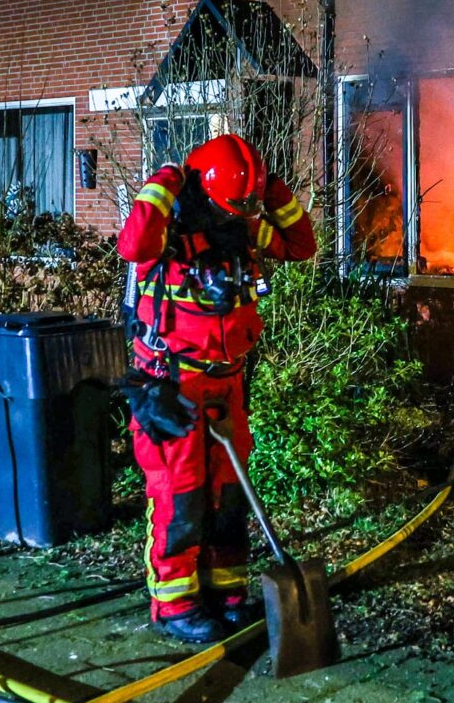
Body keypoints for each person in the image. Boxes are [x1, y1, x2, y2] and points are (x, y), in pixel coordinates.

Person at [117, 133, 316, 643]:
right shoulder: (167, 234)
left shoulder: (241, 228)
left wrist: (272, 192)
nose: (236, 214)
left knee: (227, 495)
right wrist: (167, 180)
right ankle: (175, 605)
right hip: (171, 385)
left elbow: (301, 244)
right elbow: (131, 243)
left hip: (226, 383)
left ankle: (225, 594)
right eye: (232, 204)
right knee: (179, 494)